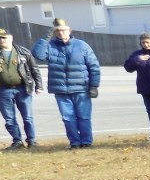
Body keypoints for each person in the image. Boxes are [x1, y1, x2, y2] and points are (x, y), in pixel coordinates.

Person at [31, 20, 100, 149]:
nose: (60, 33)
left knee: (84, 117)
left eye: (63, 30)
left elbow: (94, 66)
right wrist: (46, 37)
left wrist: (94, 86)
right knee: (68, 118)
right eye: (57, 31)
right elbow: (37, 54)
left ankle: (86, 141)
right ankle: (74, 142)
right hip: (61, 90)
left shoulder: (82, 45)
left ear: (69, 31)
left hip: (81, 88)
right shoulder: (50, 46)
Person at [0, 28, 42, 149]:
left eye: (4, 37)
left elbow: (34, 69)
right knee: (9, 119)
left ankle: (31, 140)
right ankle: (17, 141)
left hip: (22, 88)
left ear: (11, 38)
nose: (1, 40)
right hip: (2, 90)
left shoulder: (23, 52)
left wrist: (39, 85)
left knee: (28, 117)